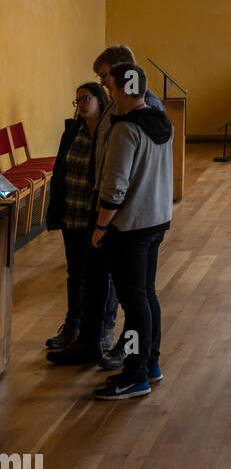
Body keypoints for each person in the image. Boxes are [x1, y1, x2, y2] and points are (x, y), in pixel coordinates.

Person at [47, 45, 167, 369]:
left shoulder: (142, 112)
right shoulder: (117, 108)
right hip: (110, 212)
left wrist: (104, 221)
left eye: (104, 78)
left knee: (136, 295)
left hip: (127, 219)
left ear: (121, 74)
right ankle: (89, 342)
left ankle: (132, 353)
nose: (102, 84)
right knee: (96, 278)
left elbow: (128, 174)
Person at [91, 62, 174, 400]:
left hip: (130, 226)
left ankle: (135, 375)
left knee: (134, 301)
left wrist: (99, 227)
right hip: (156, 220)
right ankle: (151, 365)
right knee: (146, 295)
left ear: (123, 90)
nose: (109, 93)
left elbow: (115, 187)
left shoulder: (127, 130)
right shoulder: (160, 120)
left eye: (111, 87)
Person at [44, 82, 110, 351]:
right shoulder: (71, 132)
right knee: (75, 273)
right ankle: (73, 325)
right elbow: (61, 169)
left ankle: (103, 329)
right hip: (71, 213)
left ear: (100, 100)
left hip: (97, 216)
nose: (81, 104)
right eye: (78, 100)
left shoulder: (110, 133)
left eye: (86, 98)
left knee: (102, 275)